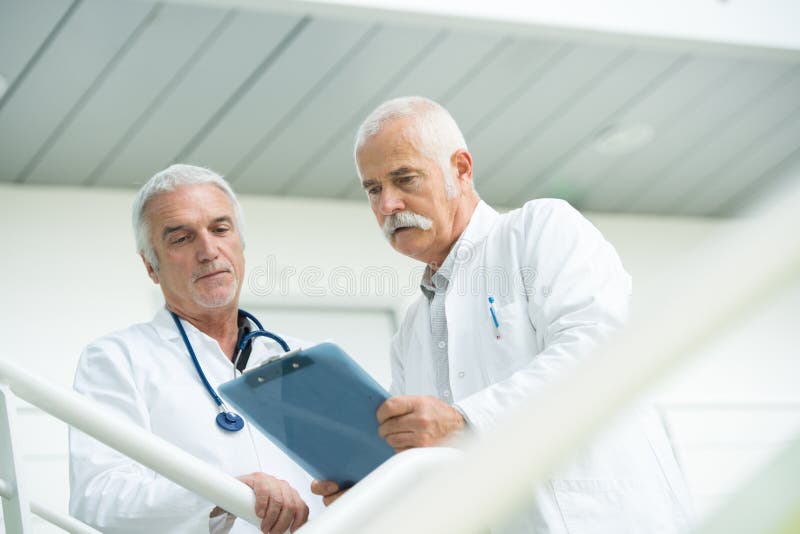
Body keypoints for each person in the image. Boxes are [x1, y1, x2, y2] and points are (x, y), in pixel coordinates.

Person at [313, 97, 693, 532]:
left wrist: (462, 420)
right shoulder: (411, 333)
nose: (387, 205)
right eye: (373, 189)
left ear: (461, 169)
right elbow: (425, 467)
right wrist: (371, 487)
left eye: (404, 179)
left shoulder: (540, 230)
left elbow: (599, 354)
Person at [69, 164, 321, 534]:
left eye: (220, 229)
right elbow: (98, 499)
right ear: (150, 266)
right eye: (181, 238)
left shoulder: (305, 357)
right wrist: (224, 494)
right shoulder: (116, 360)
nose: (208, 250)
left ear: (240, 245)